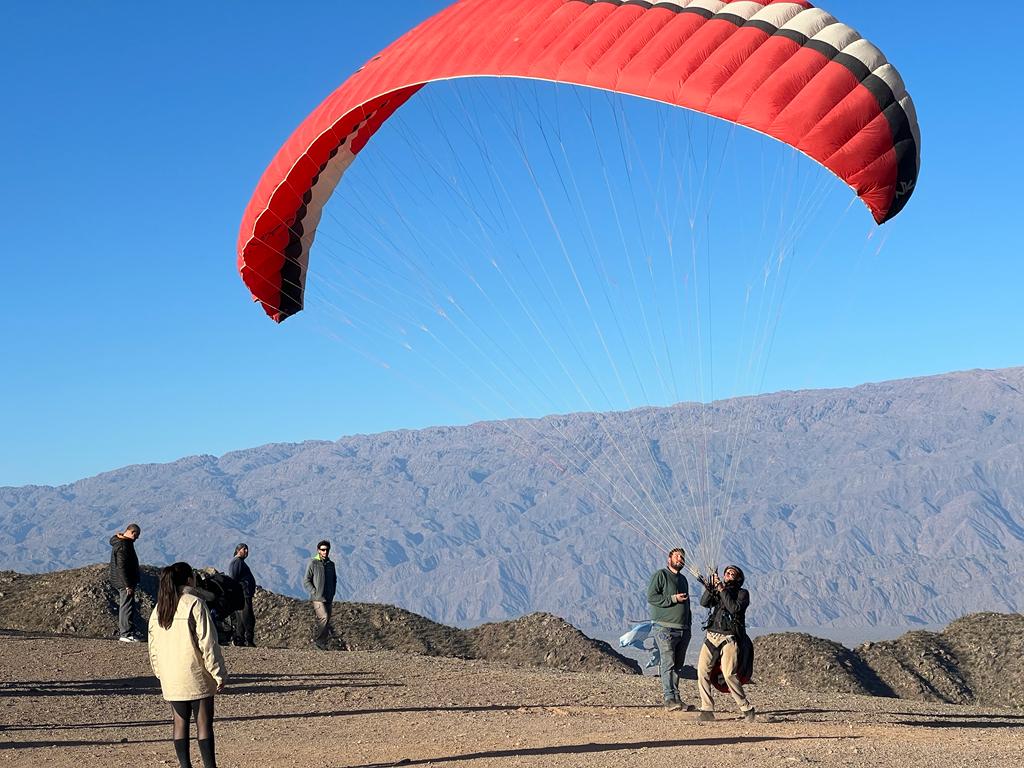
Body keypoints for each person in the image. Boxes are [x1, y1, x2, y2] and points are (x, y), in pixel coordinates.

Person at [148, 561, 227, 768]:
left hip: (171, 676)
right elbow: (208, 643)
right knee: (204, 724)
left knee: (179, 723)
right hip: (195, 674)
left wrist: (160, 672)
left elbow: (153, 646)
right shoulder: (194, 604)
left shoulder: (159, 608)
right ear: (189, 580)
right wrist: (218, 673)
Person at [696, 564, 755, 721]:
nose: (728, 575)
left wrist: (722, 589)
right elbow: (704, 603)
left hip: (729, 638)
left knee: (729, 674)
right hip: (711, 637)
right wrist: (710, 587)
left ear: (738, 578)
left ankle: (746, 708)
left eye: (732, 573)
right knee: (702, 671)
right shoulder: (718, 591)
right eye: (727, 573)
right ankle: (707, 709)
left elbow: (734, 608)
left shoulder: (742, 594)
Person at [646, 547, 694, 711]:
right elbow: (652, 597)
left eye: (682, 557)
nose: (680, 559)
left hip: (683, 628)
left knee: (678, 664)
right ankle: (669, 698)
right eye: (677, 556)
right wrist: (673, 598)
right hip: (665, 628)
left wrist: (688, 625)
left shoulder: (683, 580)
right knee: (668, 661)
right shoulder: (661, 575)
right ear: (669, 559)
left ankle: (676, 698)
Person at [109, 523, 142, 642]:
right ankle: (126, 634)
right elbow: (121, 567)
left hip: (121, 580)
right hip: (124, 582)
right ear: (132, 532)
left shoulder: (122, 542)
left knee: (127, 605)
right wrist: (127, 585)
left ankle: (128, 632)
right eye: (136, 535)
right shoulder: (123, 545)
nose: (137, 538)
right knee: (126, 606)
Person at [302, 539, 337, 649]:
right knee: (324, 617)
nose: (325, 552)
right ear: (318, 550)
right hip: (318, 598)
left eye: (327, 550)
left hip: (329, 597)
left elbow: (334, 580)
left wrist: (332, 592)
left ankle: (322, 644)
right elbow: (306, 580)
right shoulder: (313, 563)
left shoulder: (331, 565)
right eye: (323, 550)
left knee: (326, 620)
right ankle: (319, 642)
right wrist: (314, 592)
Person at [226, 543, 256, 647]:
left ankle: (241, 640)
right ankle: (248, 640)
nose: (247, 551)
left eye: (247, 549)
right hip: (243, 594)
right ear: (238, 550)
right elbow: (233, 578)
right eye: (244, 549)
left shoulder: (240, 562)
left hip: (244, 594)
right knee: (247, 616)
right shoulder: (237, 562)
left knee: (243, 617)